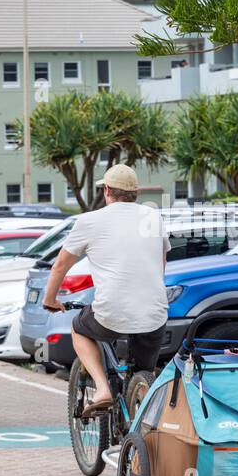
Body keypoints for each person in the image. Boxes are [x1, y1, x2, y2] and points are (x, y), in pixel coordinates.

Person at [42, 164, 169, 416]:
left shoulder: (90, 220)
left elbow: (60, 266)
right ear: (135, 193)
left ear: (107, 190)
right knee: (143, 376)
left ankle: (102, 388)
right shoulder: (153, 217)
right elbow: (161, 264)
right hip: (155, 313)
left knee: (80, 328)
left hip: (111, 313)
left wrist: (50, 299)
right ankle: (141, 425)